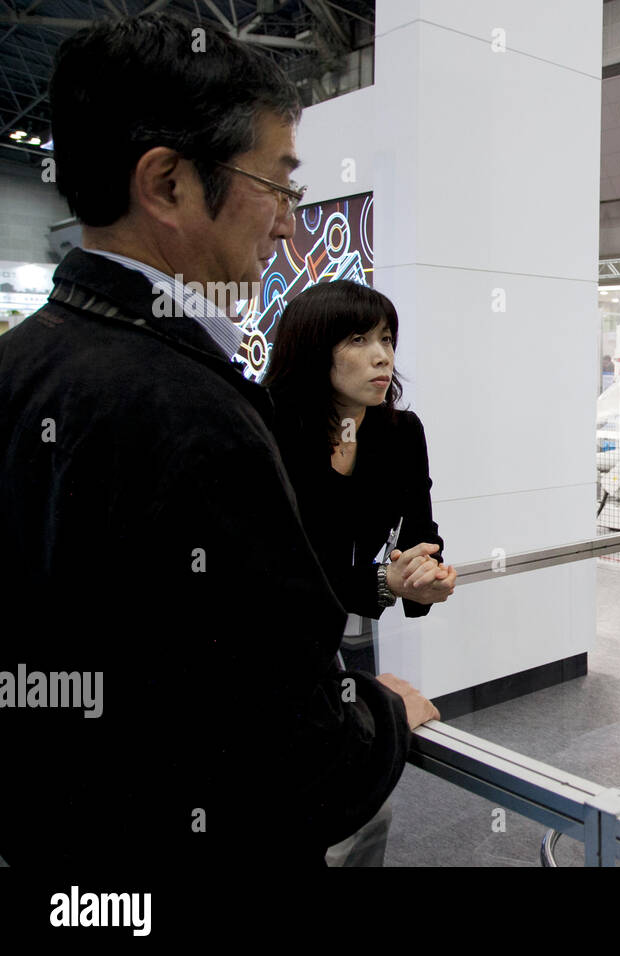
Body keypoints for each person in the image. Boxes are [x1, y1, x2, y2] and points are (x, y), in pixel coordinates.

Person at [0, 14, 433, 867]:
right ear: (167, 184)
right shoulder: (192, 413)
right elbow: (279, 750)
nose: (287, 224)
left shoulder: (22, 363)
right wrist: (380, 717)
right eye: (276, 184)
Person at [262, 281, 456, 865]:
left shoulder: (399, 433)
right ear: (313, 348)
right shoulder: (268, 428)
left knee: (364, 809)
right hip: (264, 644)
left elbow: (421, 530)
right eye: (358, 339)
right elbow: (281, 577)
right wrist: (381, 585)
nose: (382, 357)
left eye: (387, 339)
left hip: (332, 639)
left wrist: (425, 573)